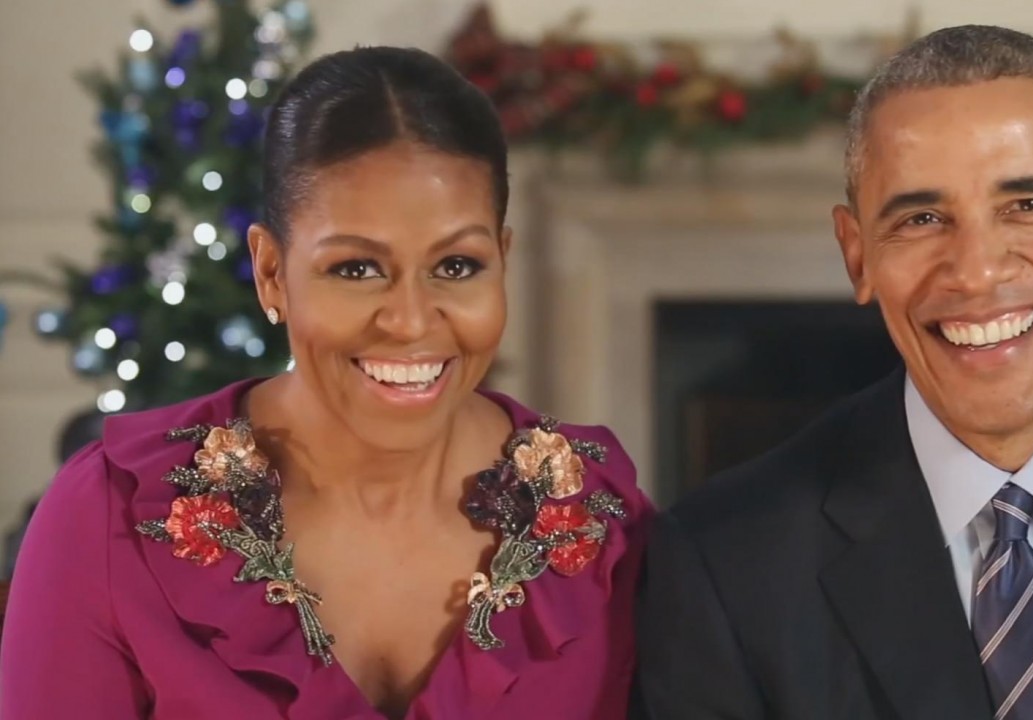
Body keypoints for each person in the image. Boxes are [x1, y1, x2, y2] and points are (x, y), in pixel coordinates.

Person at [632, 24, 1033, 720]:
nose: (976, 272)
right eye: (921, 218)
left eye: (1029, 206)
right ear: (857, 256)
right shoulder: (726, 562)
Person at [2, 46, 652, 720]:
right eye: (355, 269)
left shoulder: (603, 526)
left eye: (457, 266)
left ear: (503, 261)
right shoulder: (105, 522)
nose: (409, 321)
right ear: (272, 273)